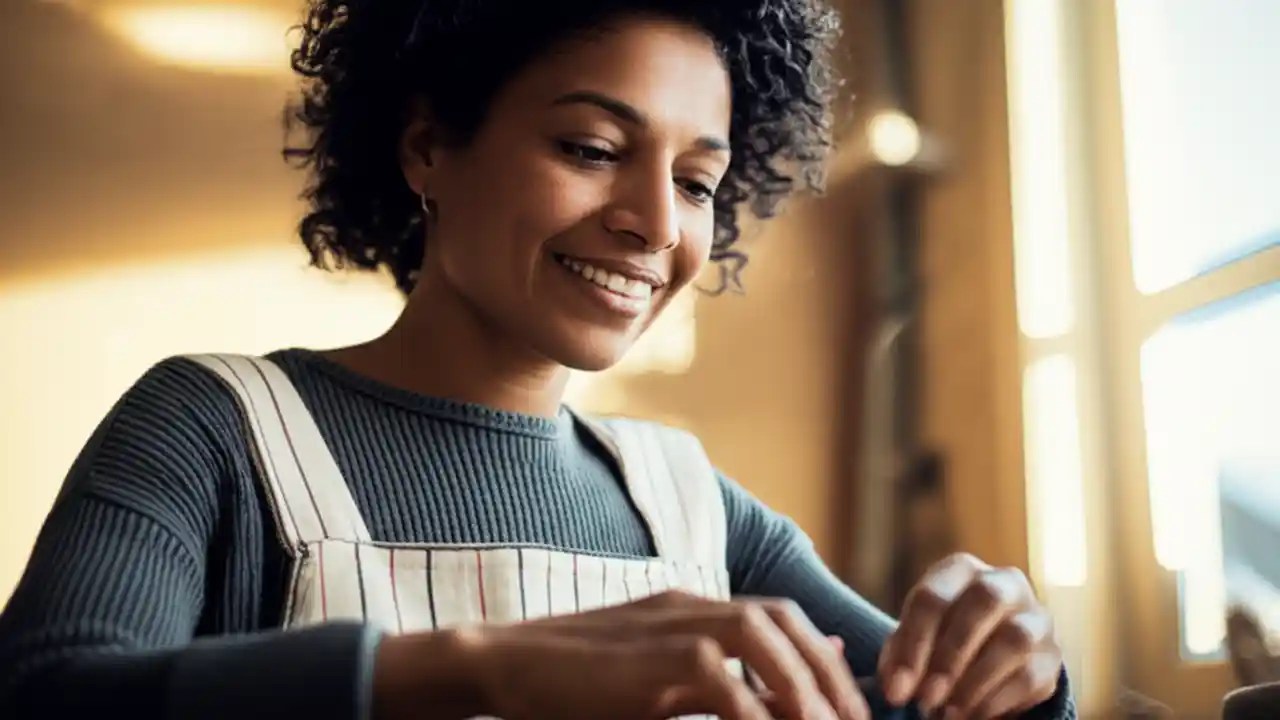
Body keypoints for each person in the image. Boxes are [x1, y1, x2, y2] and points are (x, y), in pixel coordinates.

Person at [0, 1, 1075, 718]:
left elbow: (939, 706)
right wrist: (488, 664)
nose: (656, 224)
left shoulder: (694, 507)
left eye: (697, 181)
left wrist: (1017, 669)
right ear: (425, 146)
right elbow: (46, 690)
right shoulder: (213, 427)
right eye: (591, 150)